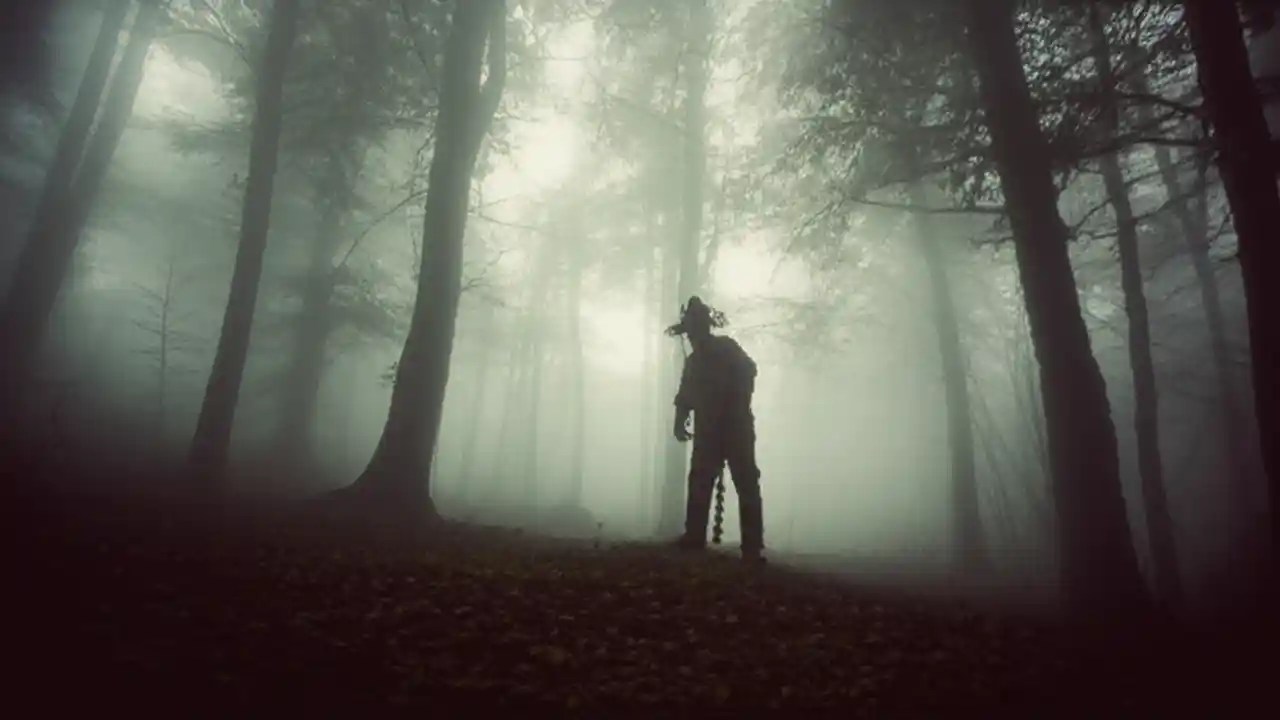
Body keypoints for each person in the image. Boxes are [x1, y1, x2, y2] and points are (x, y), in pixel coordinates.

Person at [666, 296, 765, 563]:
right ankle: (699, 537)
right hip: (718, 428)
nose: (691, 337)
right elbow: (685, 394)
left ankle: (750, 546)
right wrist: (681, 419)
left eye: (693, 330)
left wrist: (732, 401)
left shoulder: (725, 349)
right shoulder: (697, 360)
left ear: (702, 328)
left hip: (733, 427)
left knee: (742, 481)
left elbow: (749, 372)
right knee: (704, 480)